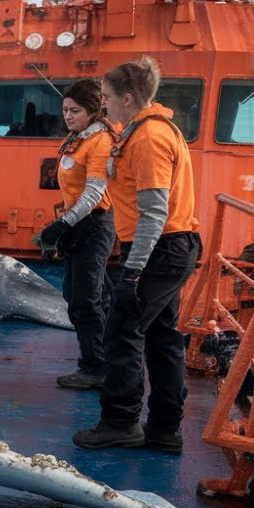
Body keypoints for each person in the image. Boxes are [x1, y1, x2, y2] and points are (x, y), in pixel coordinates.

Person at [72, 57, 202, 453]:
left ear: (128, 98)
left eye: (108, 97)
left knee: (122, 331)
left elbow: (153, 213)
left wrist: (131, 274)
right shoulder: (151, 129)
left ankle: (120, 422)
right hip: (170, 246)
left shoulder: (148, 139)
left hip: (159, 248)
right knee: (162, 336)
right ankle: (164, 429)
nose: (104, 104)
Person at [31, 79, 116, 390]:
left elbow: (95, 191)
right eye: (65, 109)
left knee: (85, 300)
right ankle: (109, 356)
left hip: (93, 223)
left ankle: (96, 368)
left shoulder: (101, 142)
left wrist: (62, 225)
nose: (68, 115)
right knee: (90, 294)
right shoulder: (77, 138)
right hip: (80, 223)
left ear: (94, 111)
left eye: (75, 110)